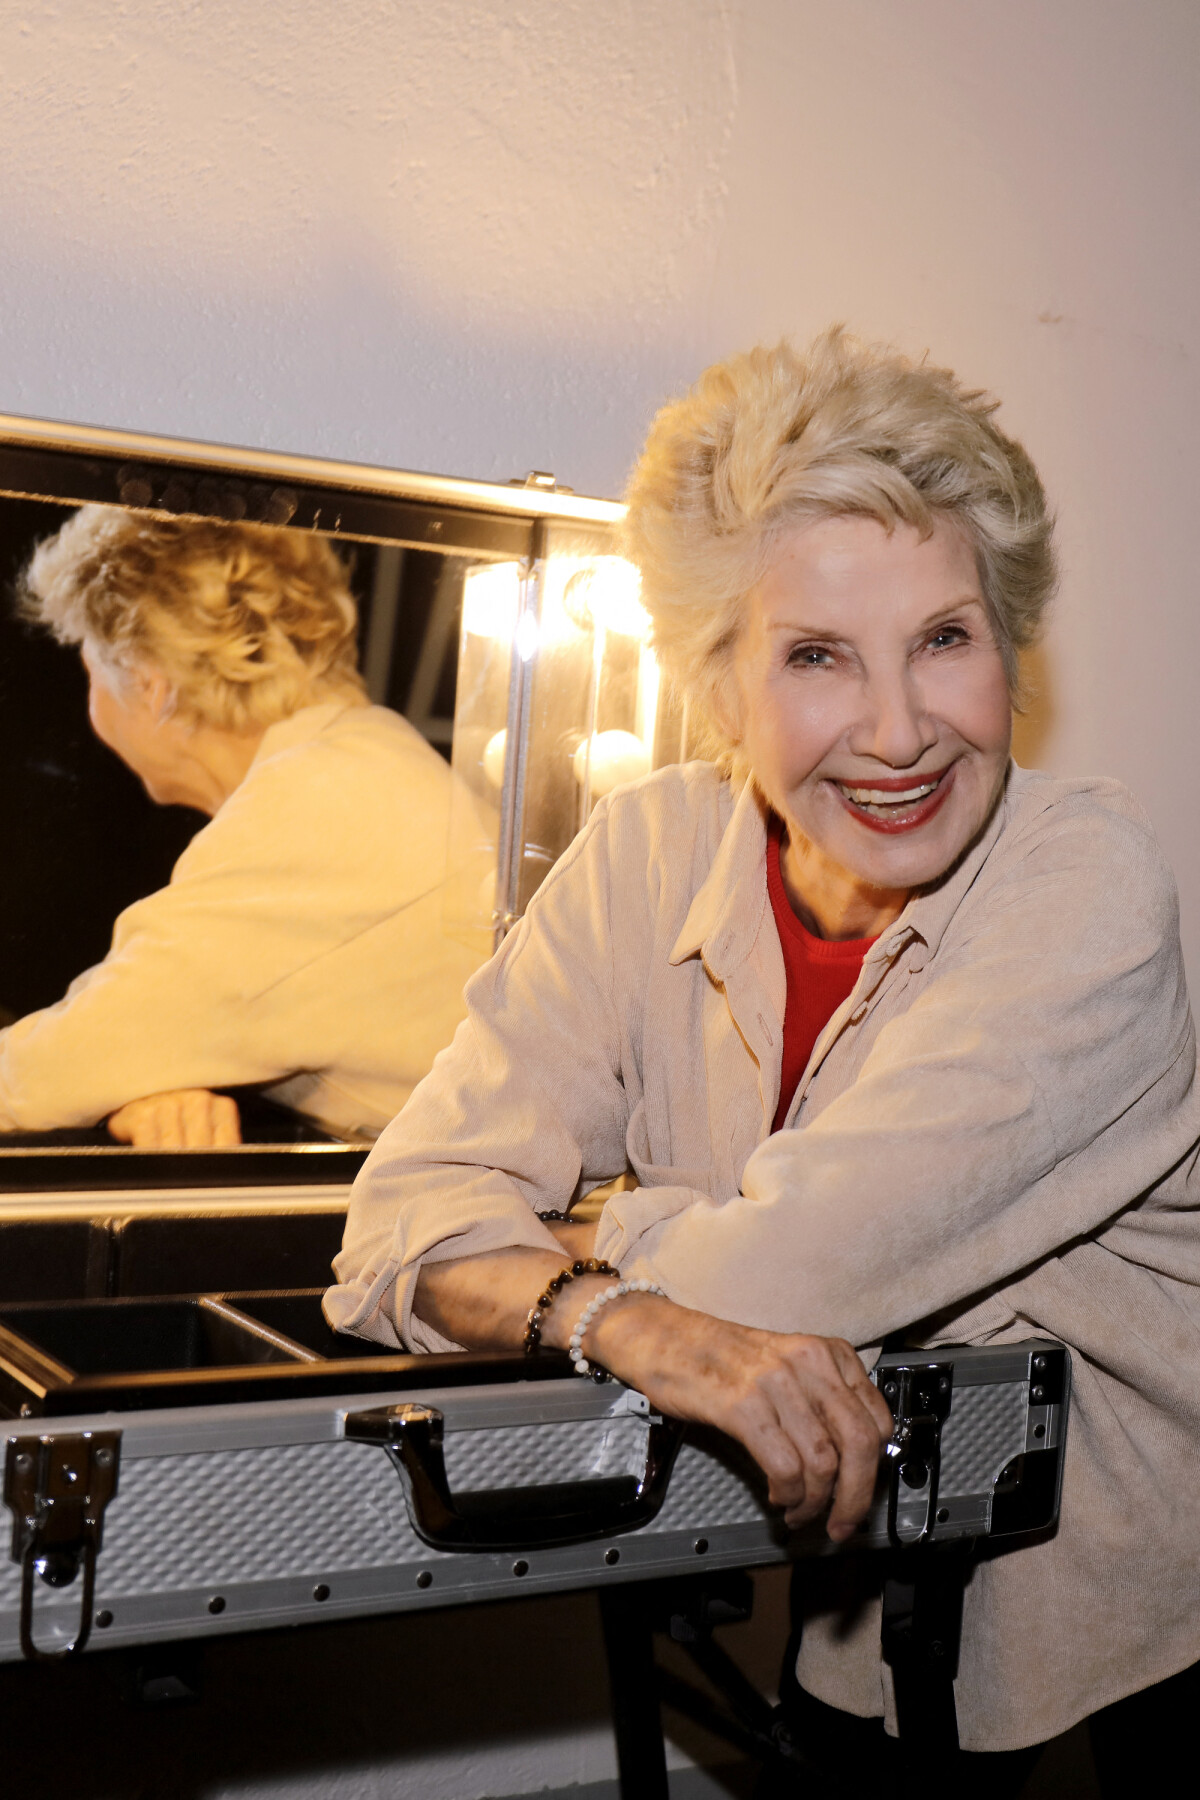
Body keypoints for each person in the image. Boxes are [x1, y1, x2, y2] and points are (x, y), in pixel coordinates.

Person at [327, 329, 1200, 1789]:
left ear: (1009, 647)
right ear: (716, 684)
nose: (901, 731)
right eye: (815, 657)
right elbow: (394, 1226)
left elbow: (780, 1285)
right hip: (890, 1577)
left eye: (945, 638)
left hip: (1147, 1603)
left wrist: (601, 1242)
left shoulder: (1088, 887)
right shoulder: (648, 850)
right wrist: (629, 1318)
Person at [1, 507, 482, 1146]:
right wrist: (135, 1081)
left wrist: (114, 1074)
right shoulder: (364, 764)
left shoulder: (314, 810)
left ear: (150, 686)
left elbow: (48, 1072)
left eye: (89, 669)